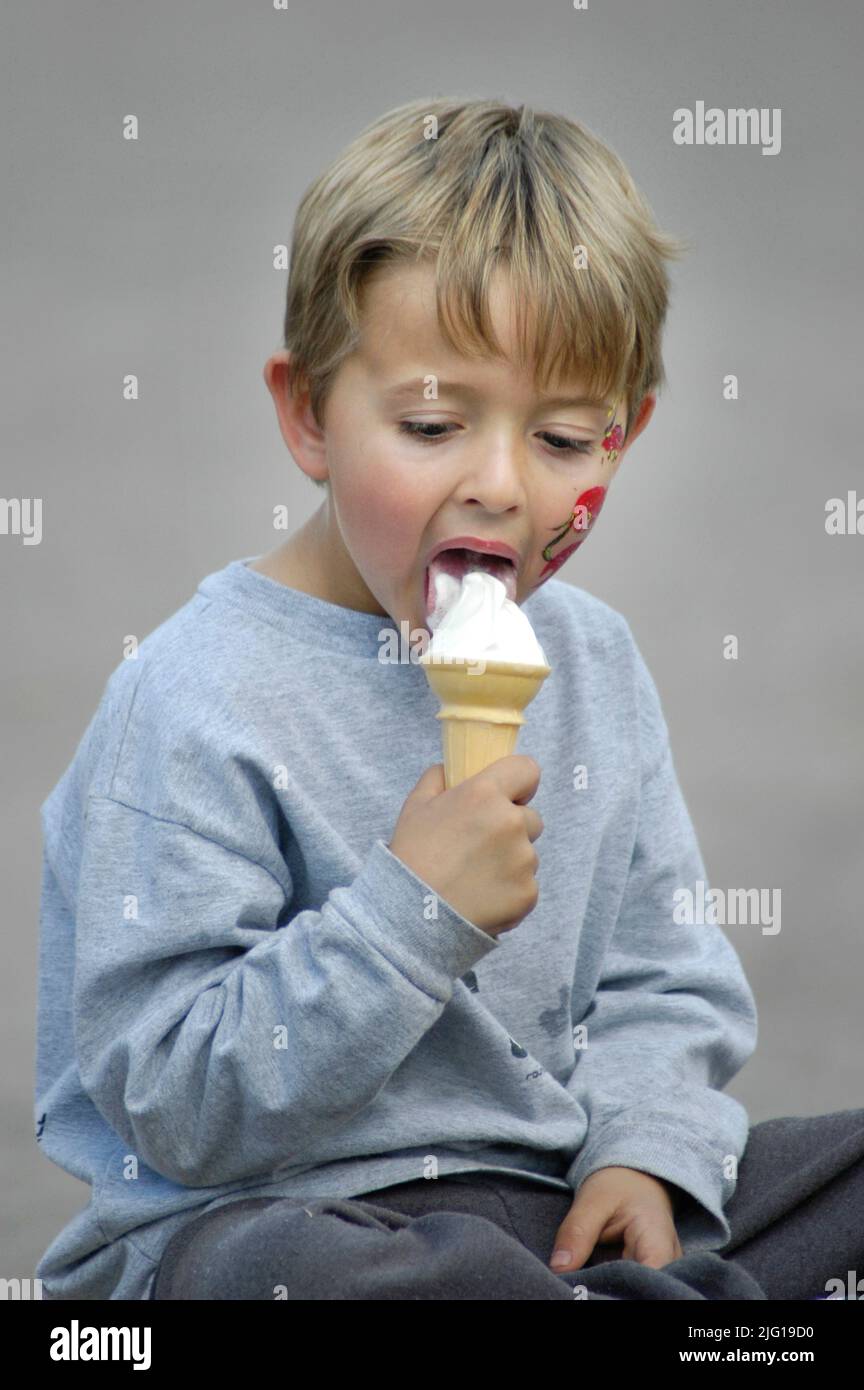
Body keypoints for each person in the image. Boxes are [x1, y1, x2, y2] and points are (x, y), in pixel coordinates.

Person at [34, 97, 864, 1301]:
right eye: (431, 423)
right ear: (308, 412)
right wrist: (408, 917)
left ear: (626, 437)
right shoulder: (193, 699)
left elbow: (663, 974)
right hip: (271, 1225)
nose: (500, 485)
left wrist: (650, 1152)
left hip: (546, 1207)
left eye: (568, 439)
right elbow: (169, 1100)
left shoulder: (596, 665)